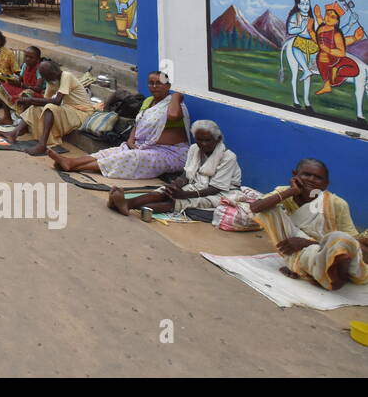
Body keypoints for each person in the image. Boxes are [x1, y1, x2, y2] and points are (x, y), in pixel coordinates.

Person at [251, 159, 368, 290]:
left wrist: (307, 243)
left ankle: (309, 268)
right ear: (295, 175)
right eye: (306, 174)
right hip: (293, 247)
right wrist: (291, 192)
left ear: (325, 184)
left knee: (339, 238)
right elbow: (255, 208)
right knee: (267, 210)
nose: (311, 179)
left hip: (325, 249)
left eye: (318, 178)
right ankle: (322, 272)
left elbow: (353, 244)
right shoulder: (285, 192)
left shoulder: (337, 204)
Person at [48, 71, 189, 176]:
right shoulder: (148, 101)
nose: (154, 86)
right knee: (110, 152)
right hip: (142, 145)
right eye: (151, 83)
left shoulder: (174, 104)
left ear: (168, 86)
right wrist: (131, 138)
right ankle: (72, 162)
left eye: (159, 83)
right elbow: (138, 123)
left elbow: (173, 115)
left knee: (128, 157)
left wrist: (176, 96)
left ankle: (73, 165)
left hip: (169, 153)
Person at [106, 120, 241, 217]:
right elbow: (186, 174)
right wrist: (175, 186)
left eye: (207, 140)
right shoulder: (194, 149)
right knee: (163, 192)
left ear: (218, 139)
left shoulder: (228, 157)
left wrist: (184, 194)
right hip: (197, 186)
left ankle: (125, 204)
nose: (203, 144)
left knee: (176, 202)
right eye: (199, 140)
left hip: (221, 193)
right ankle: (124, 204)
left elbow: (216, 188)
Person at [0, 60, 95, 154]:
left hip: (81, 112)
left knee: (50, 107)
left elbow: (57, 101)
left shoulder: (66, 76)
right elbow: (45, 99)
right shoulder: (52, 81)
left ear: (54, 72)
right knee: (35, 108)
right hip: (69, 109)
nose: (47, 80)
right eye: (46, 77)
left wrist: (31, 100)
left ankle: (42, 145)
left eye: (48, 76)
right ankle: (13, 133)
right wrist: (30, 101)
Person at [0, 45, 46, 126]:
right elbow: (19, 80)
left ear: (37, 60)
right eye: (26, 56)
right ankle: (7, 118)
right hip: (25, 88)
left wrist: (21, 85)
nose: (27, 59)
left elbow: (38, 88)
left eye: (31, 57)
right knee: (3, 86)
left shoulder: (40, 69)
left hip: (38, 94)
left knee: (27, 93)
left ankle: (22, 121)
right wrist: (9, 80)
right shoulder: (25, 66)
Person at [314, 7, 358, 95]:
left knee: (355, 69)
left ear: (337, 21)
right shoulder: (322, 28)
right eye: (327, 14)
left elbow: (342, 48)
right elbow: (341, 51)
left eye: (332, 17)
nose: (328, 17)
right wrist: (318, 15)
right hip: (327, 59)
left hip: (333, 58)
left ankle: (335, 73)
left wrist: (355, 38)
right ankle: (329, 82)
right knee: (354, 70)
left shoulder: (336, 33)